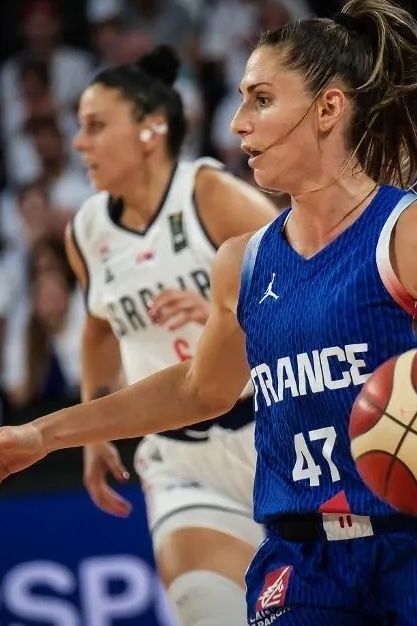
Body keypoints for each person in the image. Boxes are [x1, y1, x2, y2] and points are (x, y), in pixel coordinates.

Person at [0, 0, 417, 626]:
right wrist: (42, 435)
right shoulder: (244, 261)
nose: (238, 122)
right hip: (301, 563)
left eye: (261, 99)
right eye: (240, 99)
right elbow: (197, 389)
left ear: (328, 109)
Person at [63, 44, 284, 624]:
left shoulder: (209, 193)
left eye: (94, 127)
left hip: (276, 435)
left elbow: (311, 279)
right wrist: (94, 426)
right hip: (177, 457)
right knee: (204, 608)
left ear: (150, 129)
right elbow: (98, 330)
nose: (78, 143)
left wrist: (226, 309)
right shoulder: (86, 231)